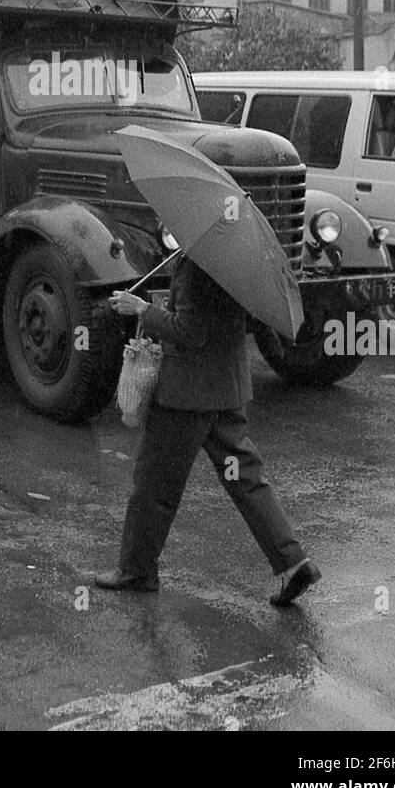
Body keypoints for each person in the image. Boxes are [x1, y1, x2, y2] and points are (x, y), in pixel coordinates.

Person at [95, 253, 321, 607]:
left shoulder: (196, 263)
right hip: (227, 391)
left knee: (154, 484)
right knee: (248, 479)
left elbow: (189, 332)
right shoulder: (236, 262)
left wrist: (142, 310)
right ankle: (294, 562)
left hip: (186, 396)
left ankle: (137, 570)